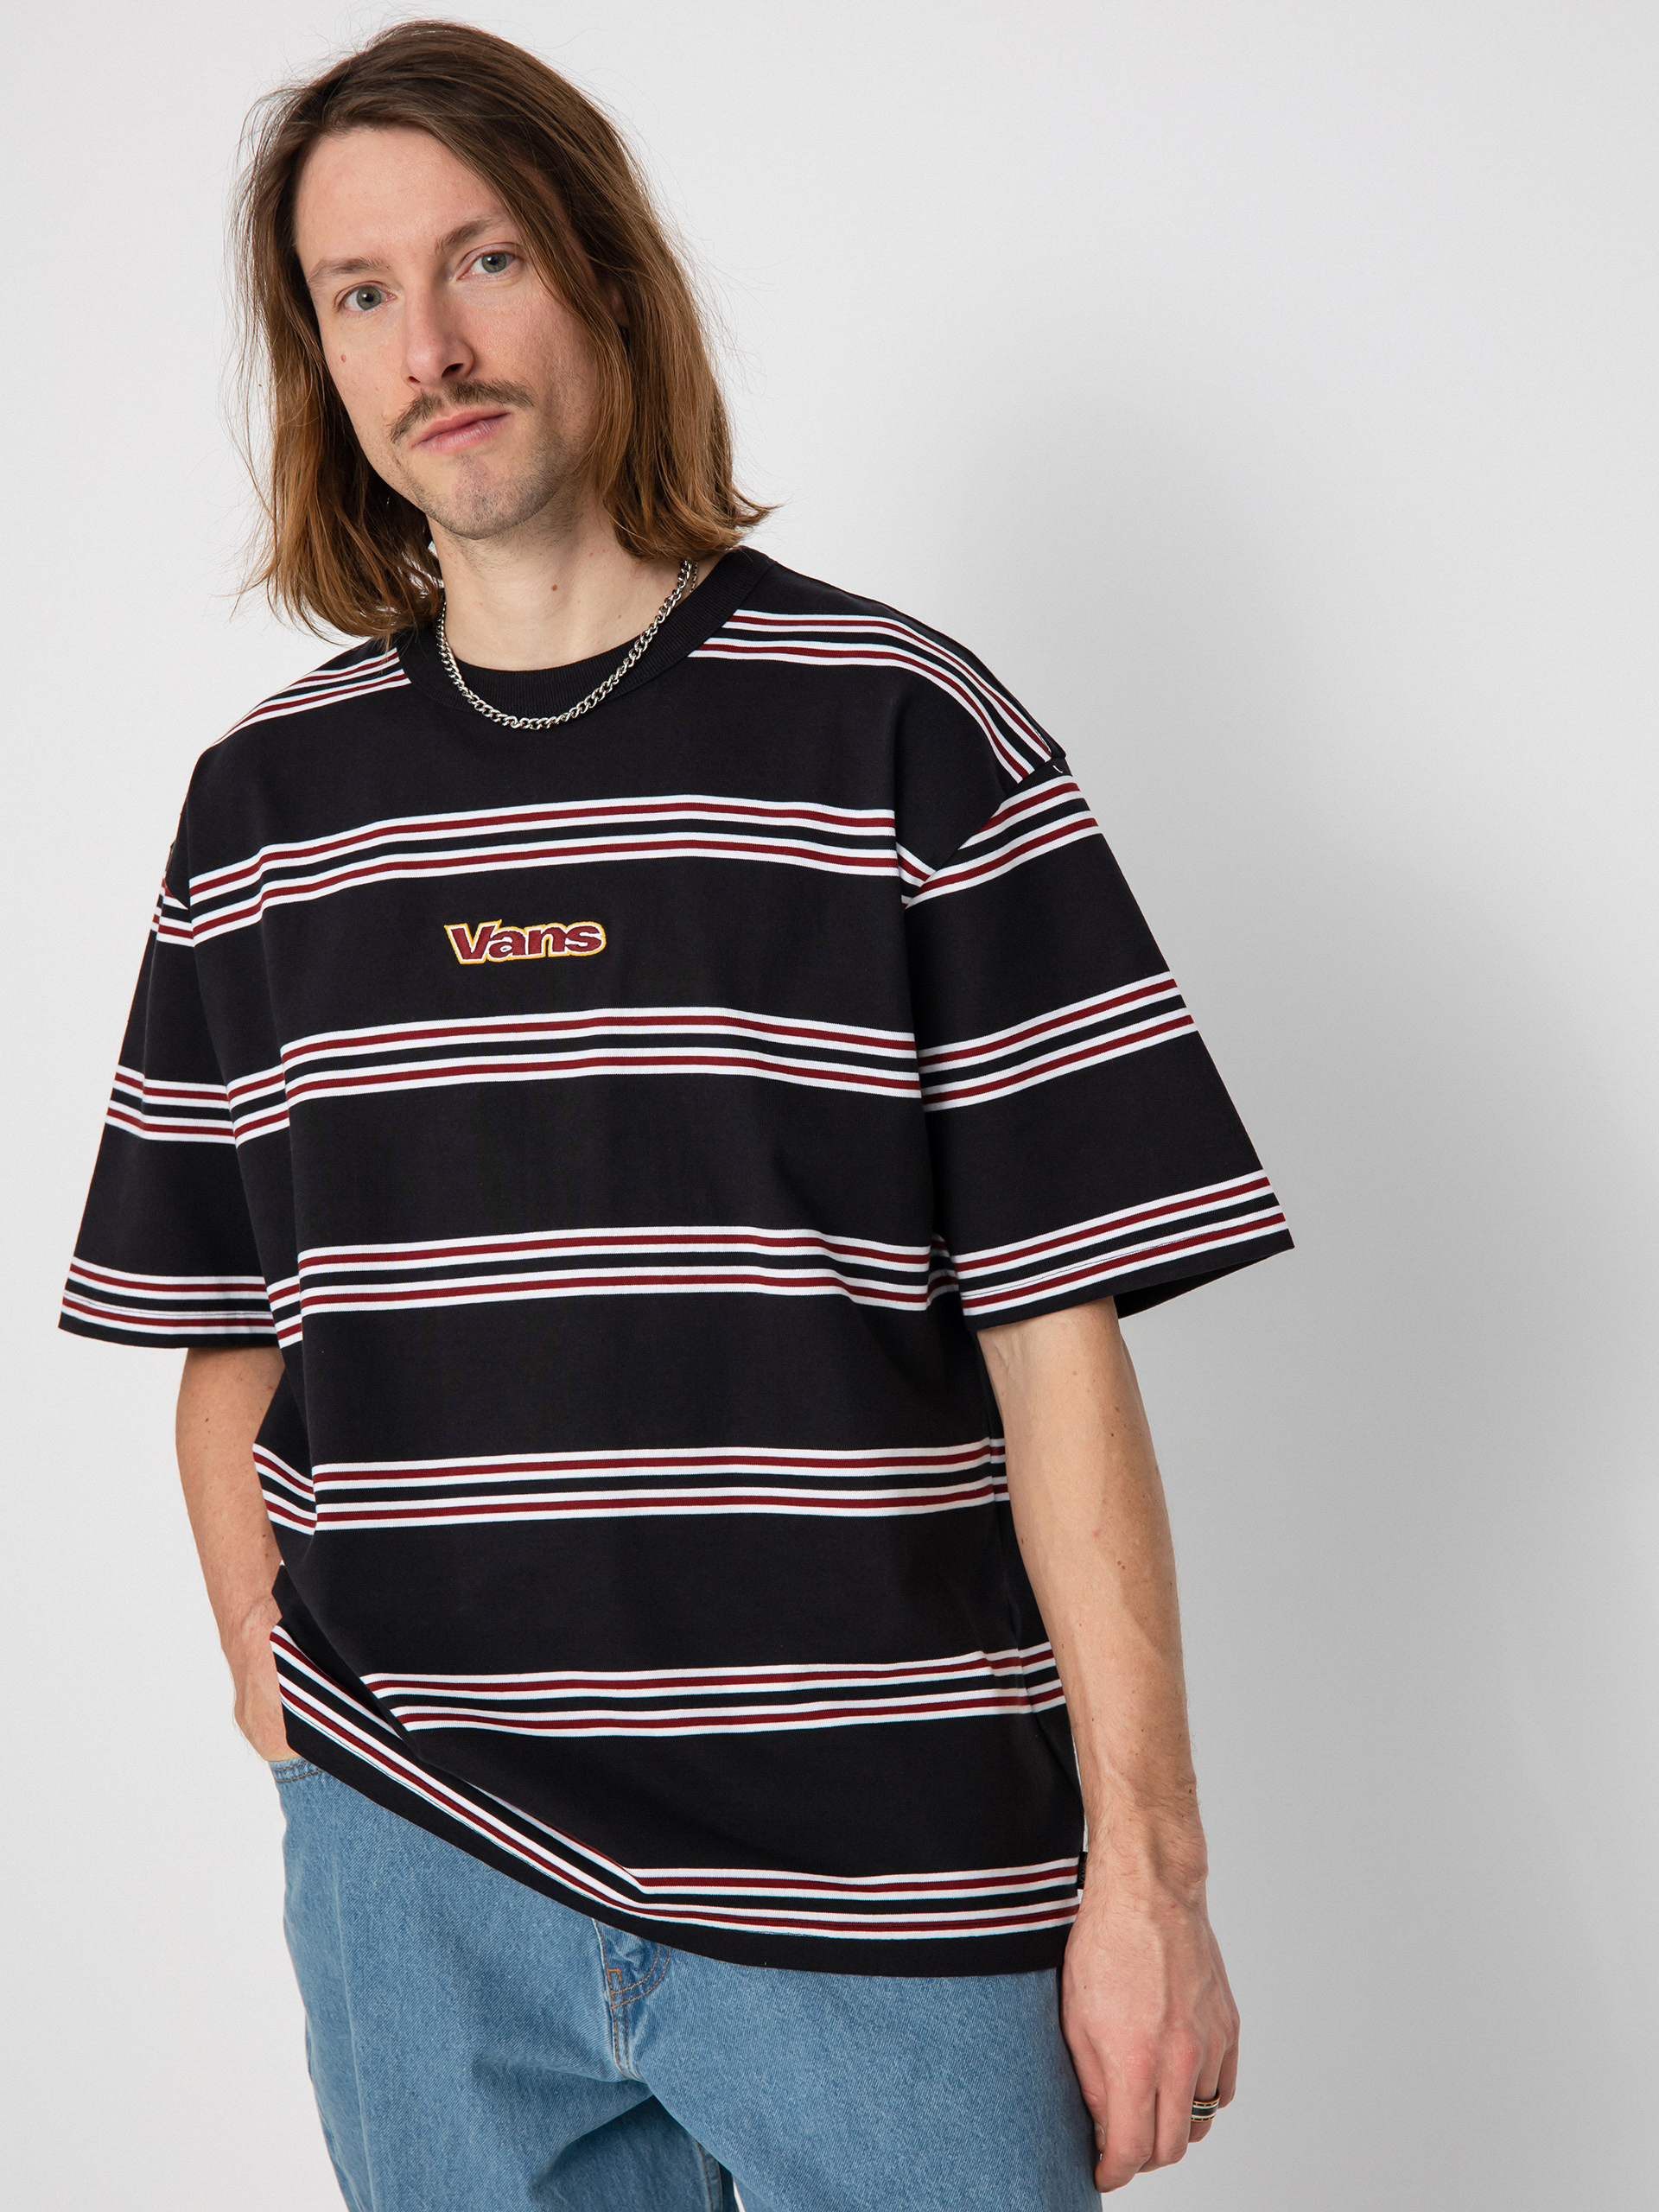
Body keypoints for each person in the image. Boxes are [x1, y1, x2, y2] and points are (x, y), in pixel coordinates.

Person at [60, 20, 1291, 2209]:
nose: (431, 347)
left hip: (888, 1891)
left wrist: (1150, 1877)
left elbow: (1059, 1344)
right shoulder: (268, 810)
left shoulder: (902, 732)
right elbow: (221, 1330)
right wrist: (297, 1712)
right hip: (429, 1885)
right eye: (359, 294)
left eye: (485, 260)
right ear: (320, 360)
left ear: (606, 278)